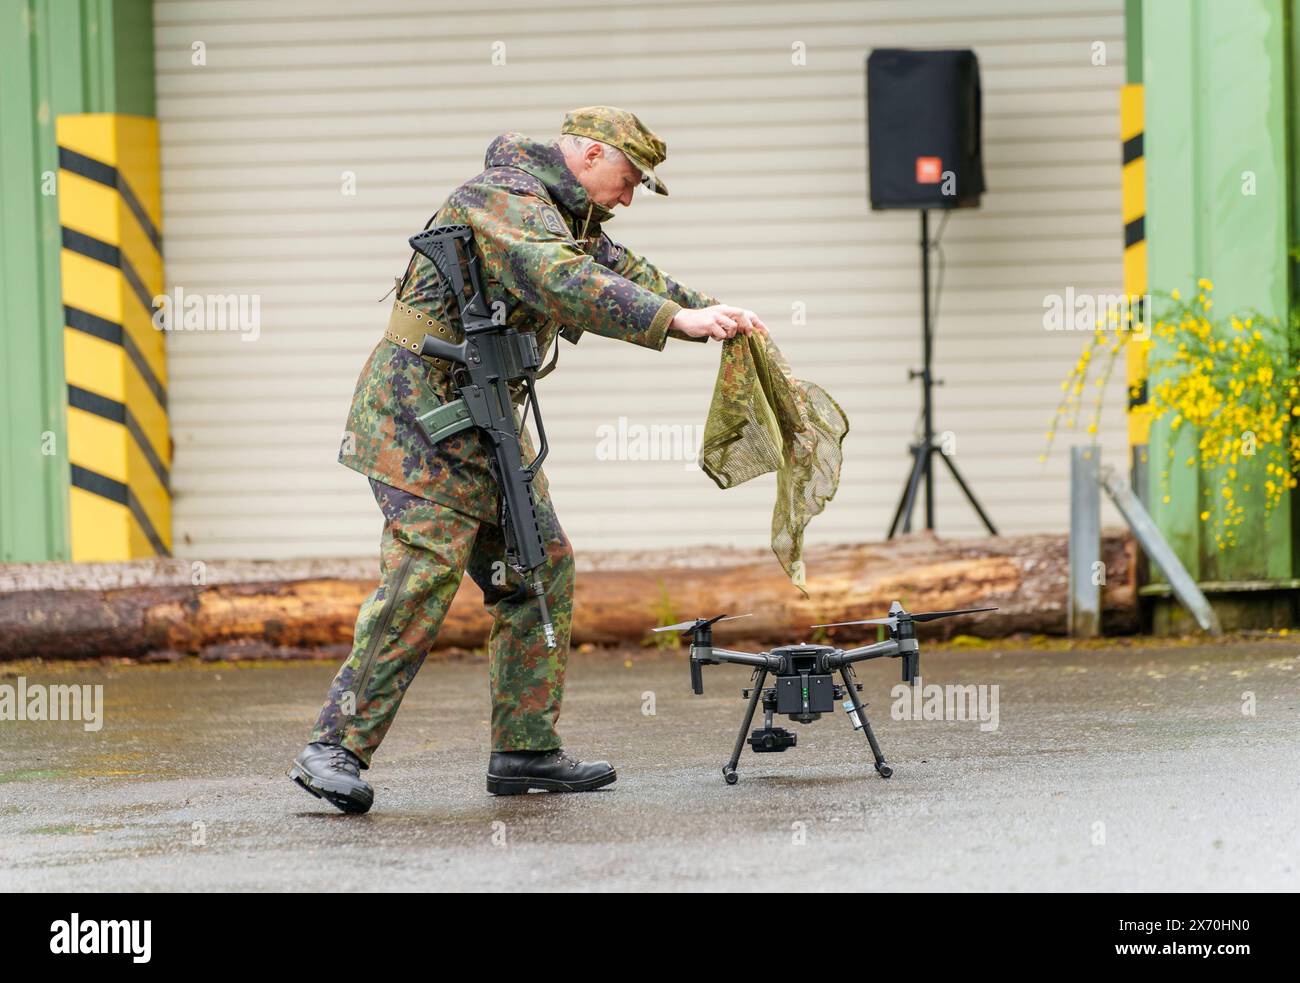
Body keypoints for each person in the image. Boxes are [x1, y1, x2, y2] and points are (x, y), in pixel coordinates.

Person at [289, 106, 765, 813]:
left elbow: (621, 270)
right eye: (629, 179)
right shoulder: (505, 199)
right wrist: (675, 323)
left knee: (539, 562)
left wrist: (709, 310)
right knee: (424, 573)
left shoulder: (564, 217)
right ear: (593, 155)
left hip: (483, 425)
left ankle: (524, 748)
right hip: (419, 420)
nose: (630, 196)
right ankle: (333, 746)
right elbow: (563, 280)